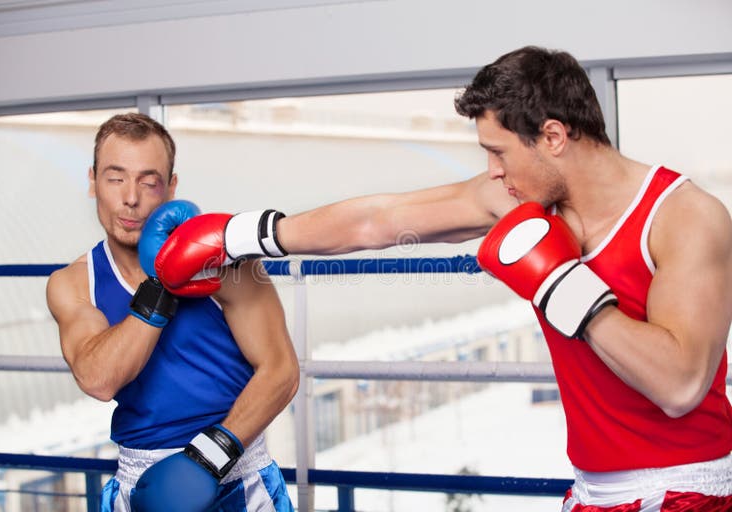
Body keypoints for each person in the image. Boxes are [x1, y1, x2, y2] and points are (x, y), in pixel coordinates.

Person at [153, 47, 732, 511]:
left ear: (553, 137)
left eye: (499, 151)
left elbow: (680, 385)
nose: (492, 171)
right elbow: (379, 221)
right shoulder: (520, 200)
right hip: (592, 487)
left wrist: (561, 283)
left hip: (688, 487)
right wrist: (242, 235)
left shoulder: (685, 217)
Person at [45, 113, 299, 511]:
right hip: (138, 485)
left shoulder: (228, 262)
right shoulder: (74, 283)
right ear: (93, 181)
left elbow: (281, 370)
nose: (131, 198)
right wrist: (163, 281)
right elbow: (98, 379)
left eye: (149, 182)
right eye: (116, 179)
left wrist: (208, 458)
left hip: (237, 473)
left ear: (171, 188)